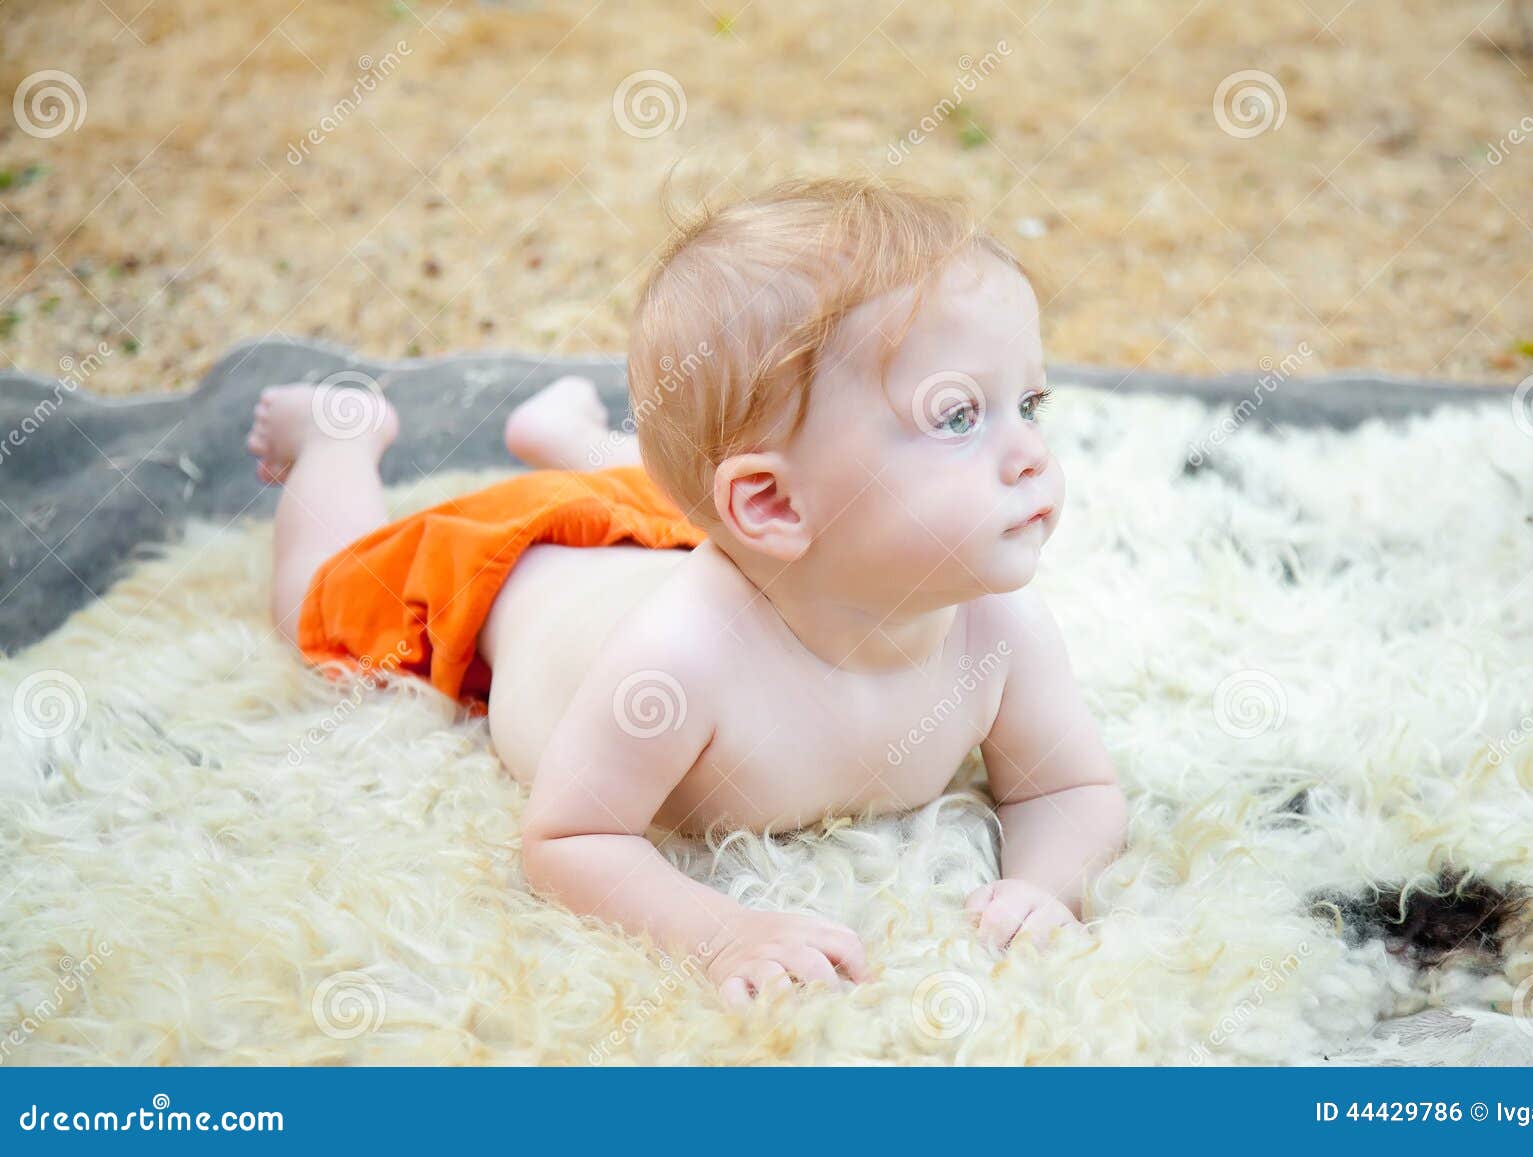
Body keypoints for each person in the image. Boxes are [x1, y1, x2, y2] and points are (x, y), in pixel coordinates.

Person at [246, 176, 1127, 1005]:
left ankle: (567, 434)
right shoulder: (680, 662)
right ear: (773, 501)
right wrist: (721, 932)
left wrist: (1045, 886)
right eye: (960, 416)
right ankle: (338, 438)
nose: (1031, 454)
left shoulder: (995, 623)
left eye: (1032, 404)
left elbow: (1066, 790)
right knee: (324, 604)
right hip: (508, 569)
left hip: (666, 524)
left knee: (658, 494)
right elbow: (571, 839)